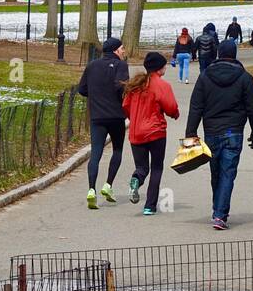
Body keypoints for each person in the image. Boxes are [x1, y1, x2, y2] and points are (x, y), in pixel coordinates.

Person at [184, 38, 253, 231]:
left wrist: (190, 134)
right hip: (233, 131)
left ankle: (218, 211)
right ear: (234, 54)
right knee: (228, 173)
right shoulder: (245, 78)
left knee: (216, 173)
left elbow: (196, 107)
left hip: (212, 131)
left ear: (218, 54)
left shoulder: (205, 76)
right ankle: (220, 213)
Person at [122, 51, 180, 215]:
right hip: (155, 132)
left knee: (142, 167)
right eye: (164, 65)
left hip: (136, 133)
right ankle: (149, 205)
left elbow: (126, 106)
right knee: (156, 168)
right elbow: (170, 107)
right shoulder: (161, 85)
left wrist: (134, 117)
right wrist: (175, 114)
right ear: (160, 68)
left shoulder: (135, 85)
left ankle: (136, 179)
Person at [77, 36, 129, 209]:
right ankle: (108, 185)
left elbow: (82, 89)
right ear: (115, 50)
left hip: (97, 116)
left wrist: (97, 94)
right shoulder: (121, 65)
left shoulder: (92, 65)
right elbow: (121, 86)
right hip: (116, 116)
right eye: (122, 49)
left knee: (96, 153)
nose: (124, 52)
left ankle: (91, 189)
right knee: (117, 149)